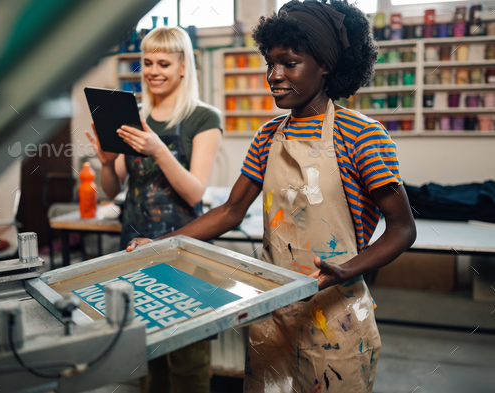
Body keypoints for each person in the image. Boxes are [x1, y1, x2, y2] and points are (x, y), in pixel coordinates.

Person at [125, 1, 417, 392]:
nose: (275, 76)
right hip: (273, 310)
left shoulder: (362, 135)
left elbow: (402, 229)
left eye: (290, 63)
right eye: (271, 64)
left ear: (325, 66)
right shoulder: (268, 135)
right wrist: (158, 246)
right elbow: (230, 211)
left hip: (335, 314)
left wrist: (348, 269)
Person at [85, 27, 222, 393]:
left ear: (182, 67)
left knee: (188, 356)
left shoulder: (203, 118)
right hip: (133, 248)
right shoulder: (131, 116)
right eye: (147, 62)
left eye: (163, 62)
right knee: (145, 353)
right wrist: (106, 162)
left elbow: (195, 191)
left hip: (184, 251)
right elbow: (113, 190)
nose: (153, 70)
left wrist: (159, 149)